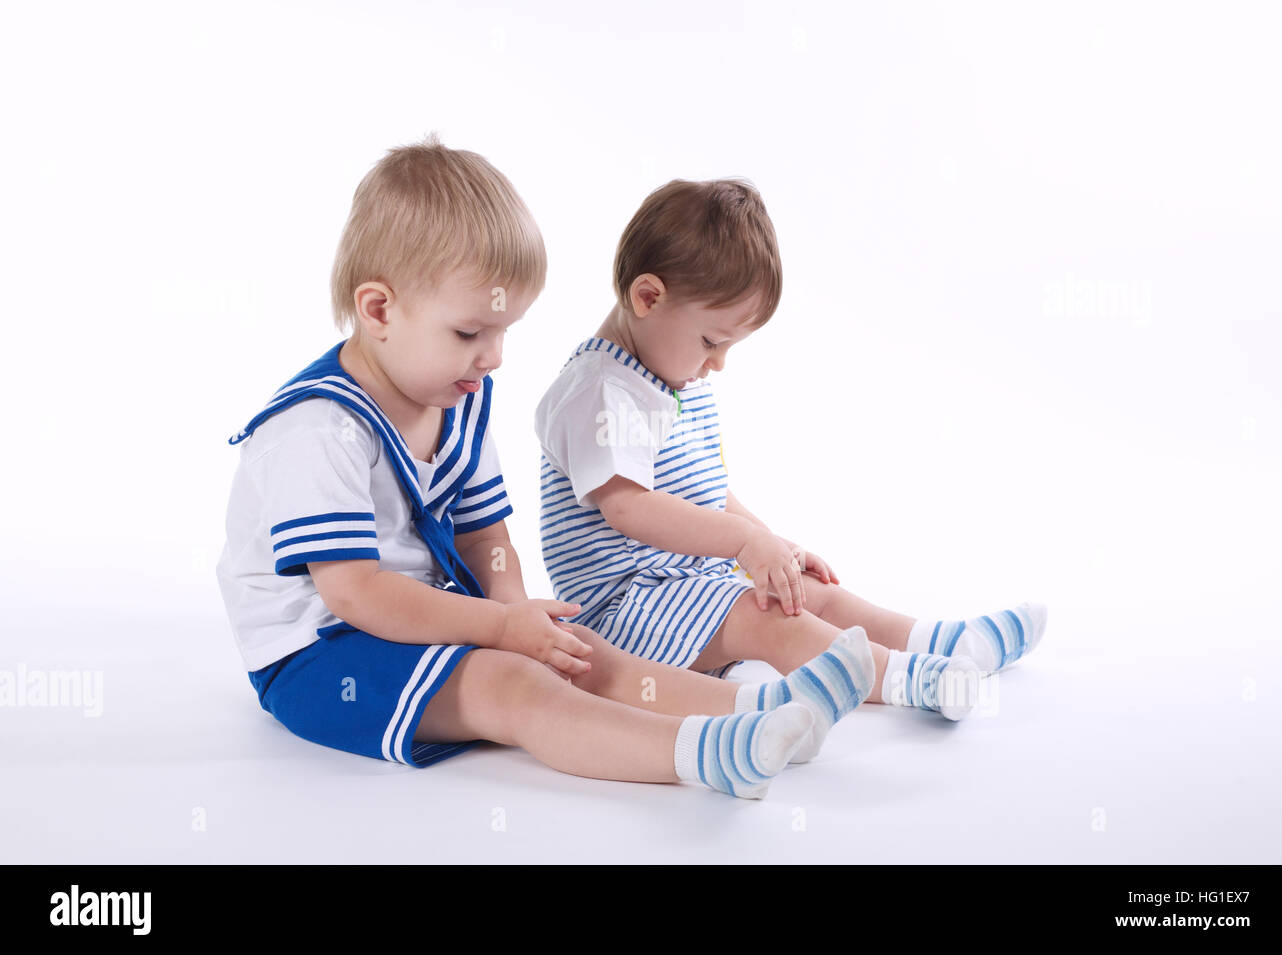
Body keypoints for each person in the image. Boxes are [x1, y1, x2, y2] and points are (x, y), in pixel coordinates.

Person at [215, 134, 877, 800]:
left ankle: (764, 713)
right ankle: (701, 751)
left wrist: (517, 614)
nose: (494, 356)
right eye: (471, 333)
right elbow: (356, 591)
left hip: (430, 614)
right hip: (324, 652)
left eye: (504, 332)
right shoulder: (318, 430)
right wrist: (501, 632)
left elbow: (487, 540)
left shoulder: (457, 399)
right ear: (379, 309)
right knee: (516, 686)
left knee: (571, 646)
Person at [534, 178, 1048, 722]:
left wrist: (770, 545)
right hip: (625, 610)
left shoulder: (668, 375)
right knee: (773, 618)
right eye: (712, 341)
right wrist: (745, 543)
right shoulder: (601, 392)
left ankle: (942, 642)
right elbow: (629, 507)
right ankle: (910, 680)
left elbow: (703, 492)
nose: (718, 364)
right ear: (648, 298)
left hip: (683, 583)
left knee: (800, 592)